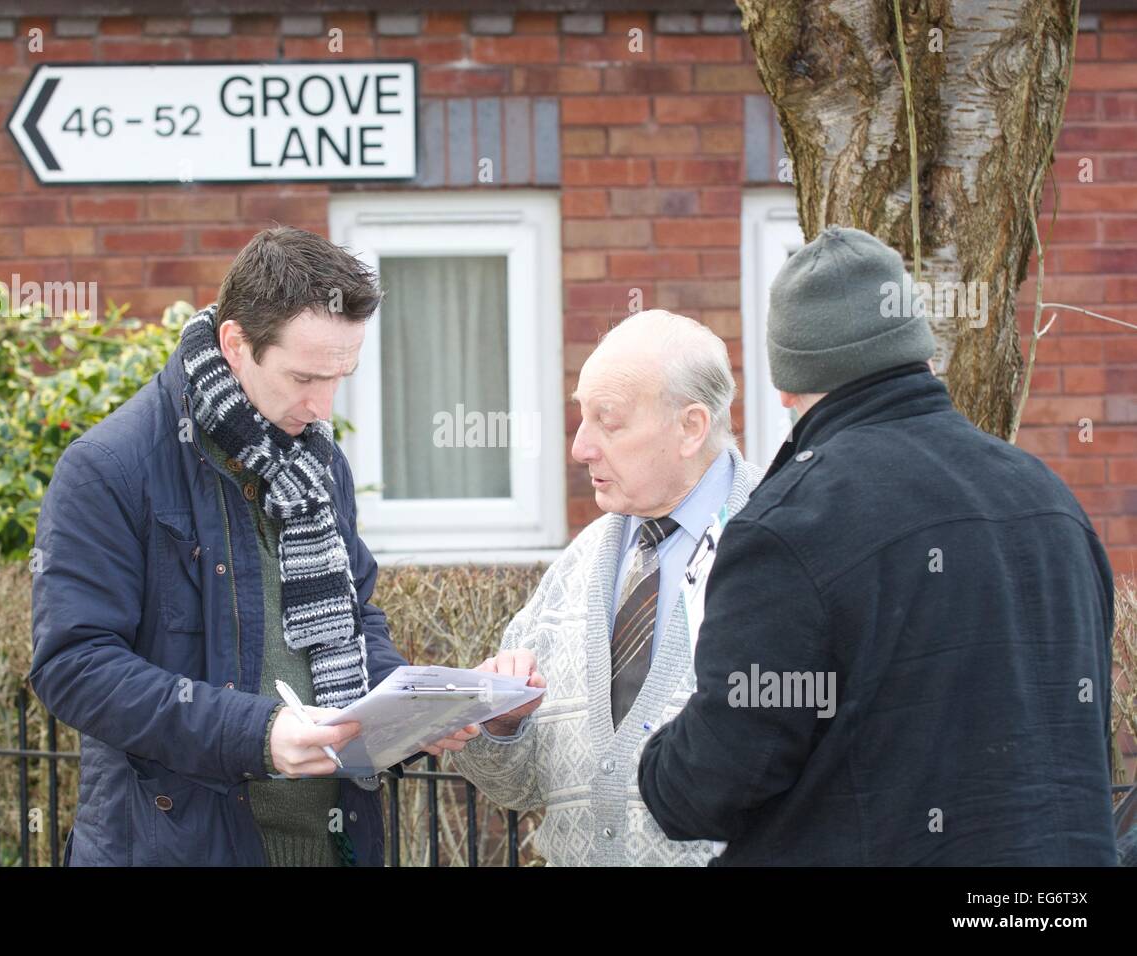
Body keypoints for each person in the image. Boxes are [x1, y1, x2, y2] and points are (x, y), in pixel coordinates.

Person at [638, 225, 1119, 865]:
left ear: (787, 386)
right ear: (922, 356)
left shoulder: (792, 527)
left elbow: (709, 786)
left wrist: (656, 757)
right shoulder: (1051, 501)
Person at [30, 225, 474, 867]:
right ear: (234, 344)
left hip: (332, 842)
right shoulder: (110, 466)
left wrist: (409, 715)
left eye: (340, 376)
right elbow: (74, 667)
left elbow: (354, 621)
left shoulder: (317, 463)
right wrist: (258, 735)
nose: (323, 407)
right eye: (303, 377)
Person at [447, 310, 764, 865]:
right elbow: (520, 790)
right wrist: (499, 728)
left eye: (608, 422)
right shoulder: (579, 562)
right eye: (582, 418)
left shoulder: (785, 545)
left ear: (690, 427)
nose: (580, 448)